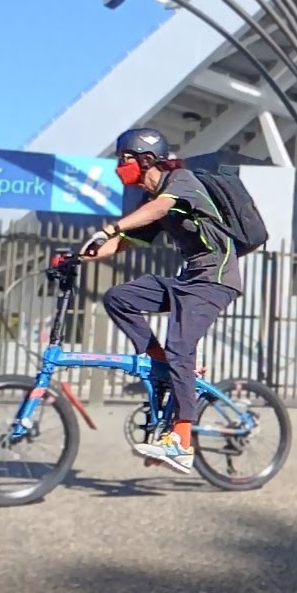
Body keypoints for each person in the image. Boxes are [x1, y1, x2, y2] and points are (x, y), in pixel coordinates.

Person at [79, 127, 243, 473]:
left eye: (123, 160)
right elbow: (125, 241)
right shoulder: (150, 203)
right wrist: (79, 257)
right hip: (189, 281)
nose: (118, 167)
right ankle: (162, 363)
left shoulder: (179, 182)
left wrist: (110, 228)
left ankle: (182, 443)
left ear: (146, 159)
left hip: (214, 278)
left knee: (181, 347)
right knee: (118, 297)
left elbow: (160, 209)